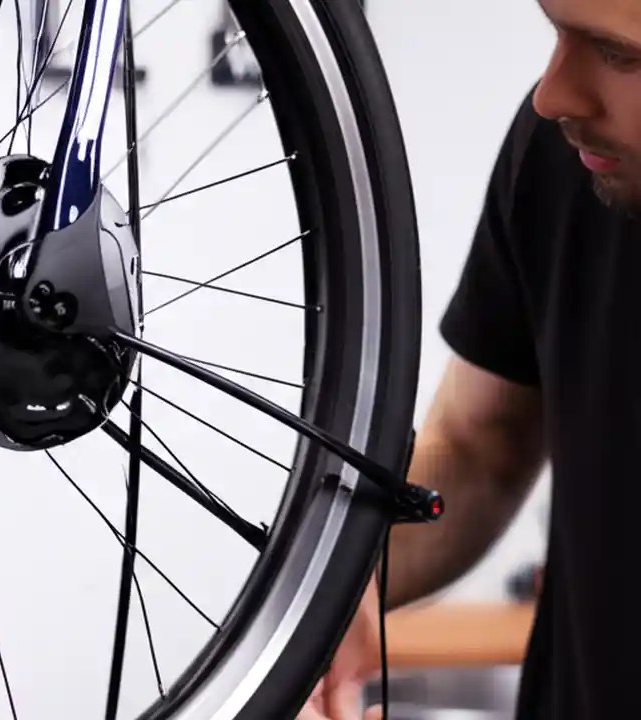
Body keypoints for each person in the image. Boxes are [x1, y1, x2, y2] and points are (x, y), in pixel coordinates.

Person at [300, 0, 641, 717]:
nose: (555, 94)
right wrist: (339, 589)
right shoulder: (565, 159)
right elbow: (482, 444)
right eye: (555, 29)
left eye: (619, 55)